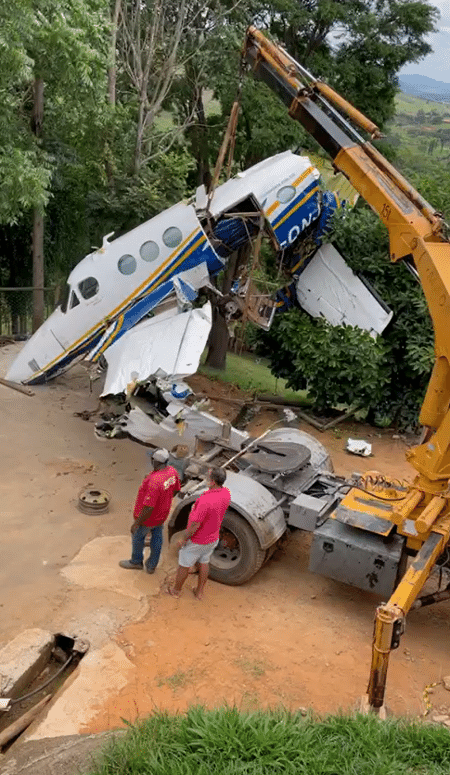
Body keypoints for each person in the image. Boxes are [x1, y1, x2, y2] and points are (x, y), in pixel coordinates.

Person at [168, 467, 230, 599]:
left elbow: (195, 525)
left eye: (209, 477)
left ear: (212, 482)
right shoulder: (226, 493)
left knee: (184, 565)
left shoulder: (205, 501)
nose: (206, 479)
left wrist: (184, 539)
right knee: (204, 562)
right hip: (213, 538)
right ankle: (199, 592)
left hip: (198, 540)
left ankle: (176, 591)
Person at [119, 448, 180, 574]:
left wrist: (137, 523)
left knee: (138, 537)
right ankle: (152, 565)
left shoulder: (154, 482)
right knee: (157, 538)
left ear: (154, 461)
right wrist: (165, 500)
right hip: (162, 514)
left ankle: (136, 561)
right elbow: (176, 489)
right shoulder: (172, 472)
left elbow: (148, 507)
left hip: (148, 518)